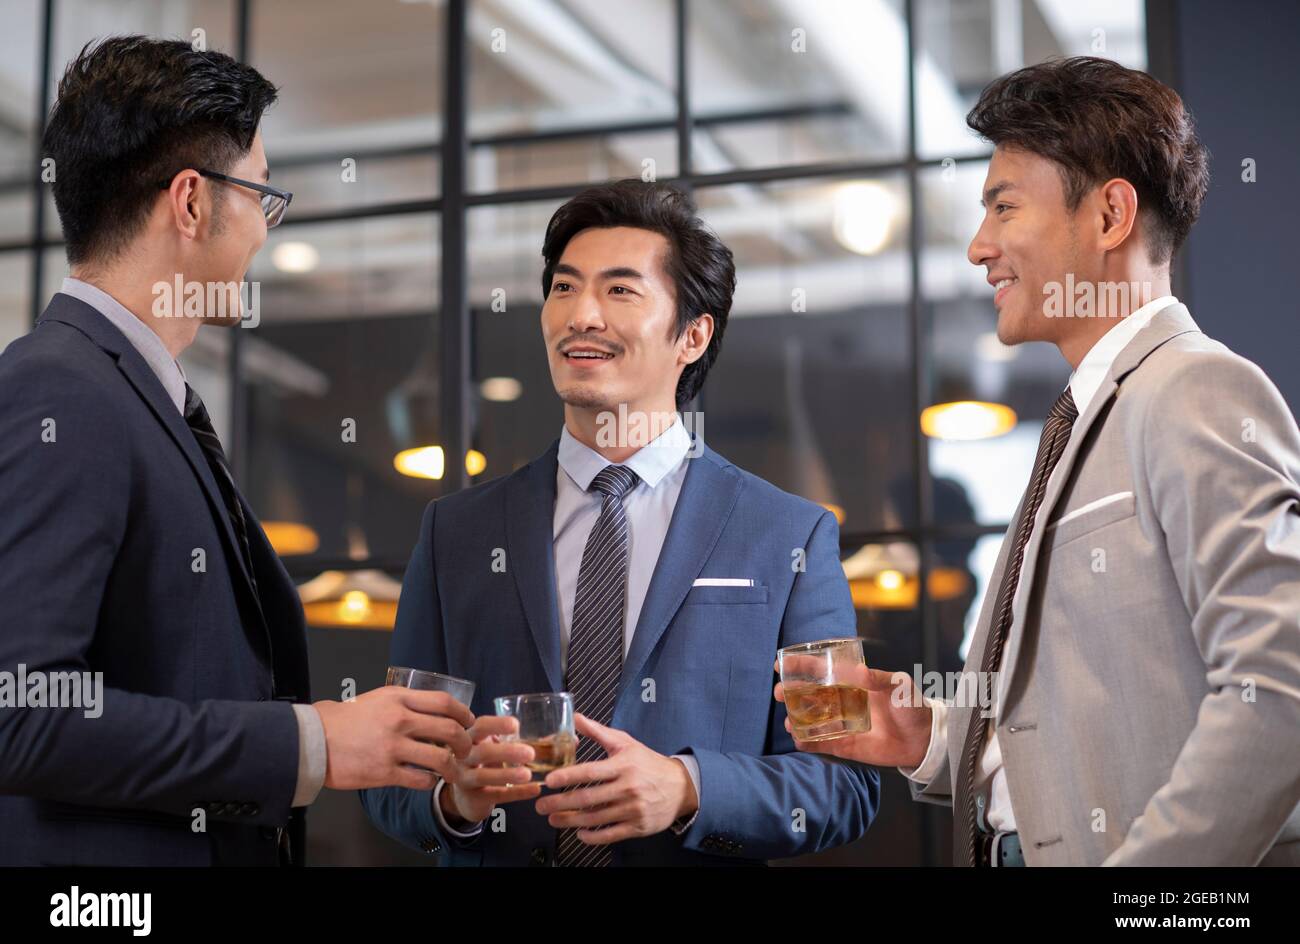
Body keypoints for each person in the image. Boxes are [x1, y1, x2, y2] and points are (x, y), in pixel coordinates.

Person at [778, 56, 1300, 866]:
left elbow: (1281, 690)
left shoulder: (1197, 389)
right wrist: (933, 738)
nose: (979, 247)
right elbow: (1082, 714)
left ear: (1110, 215)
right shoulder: (1082, 418)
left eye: (1003, 207)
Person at [0, 35, 473, 867]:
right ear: (190, 203)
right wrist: (312, 744)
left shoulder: (137, 394)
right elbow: (21, 712)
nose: (263, 227)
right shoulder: (61, 390)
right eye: (261, 194)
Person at [361, 179, 879, 866]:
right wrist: (455, 798)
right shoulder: (455, 532)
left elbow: (844, 782)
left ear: (693, 335)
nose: (581, 315)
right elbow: (391, 766)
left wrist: (689, 787)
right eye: (565, 288)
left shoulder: (790, 535)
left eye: (620, 291)